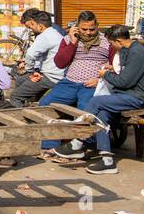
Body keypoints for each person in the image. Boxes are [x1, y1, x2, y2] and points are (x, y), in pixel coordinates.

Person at [55, 26, 144, 174]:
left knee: (97, 102)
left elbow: (124, 82)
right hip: (128, 93)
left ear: (118, 41)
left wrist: (104, 75)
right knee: (102, 114)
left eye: (111, 43)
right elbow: (126, 75)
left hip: (140, 96)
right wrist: (112, 70)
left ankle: (78, 142)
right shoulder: (127, 50)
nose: (110, 46)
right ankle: (107, 161)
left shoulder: (137, 53)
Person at [38, 11, 112, 150]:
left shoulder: (107, 41)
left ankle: (82, 147)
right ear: (77, 27)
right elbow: (60, 63)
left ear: (97, 26)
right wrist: (72, 42)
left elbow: (115, 65)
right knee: (45, 104)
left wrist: (100, 80)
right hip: (69, 83)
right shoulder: (68, 39)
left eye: (92, 29)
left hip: (92, 85)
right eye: (84, 29)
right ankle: (50, 146)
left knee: (85, 111)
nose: (88, 33)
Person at [9, 10, 65, 107]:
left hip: (50, 77)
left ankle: (21, 118)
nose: (31, 29)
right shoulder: (55, 32)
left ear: (40, 26)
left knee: (14, 96)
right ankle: (29, 104)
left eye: (32, 25)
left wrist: (30, 71)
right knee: (20, 80)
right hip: (53, 73)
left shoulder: (45, 36)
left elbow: (30, 55)